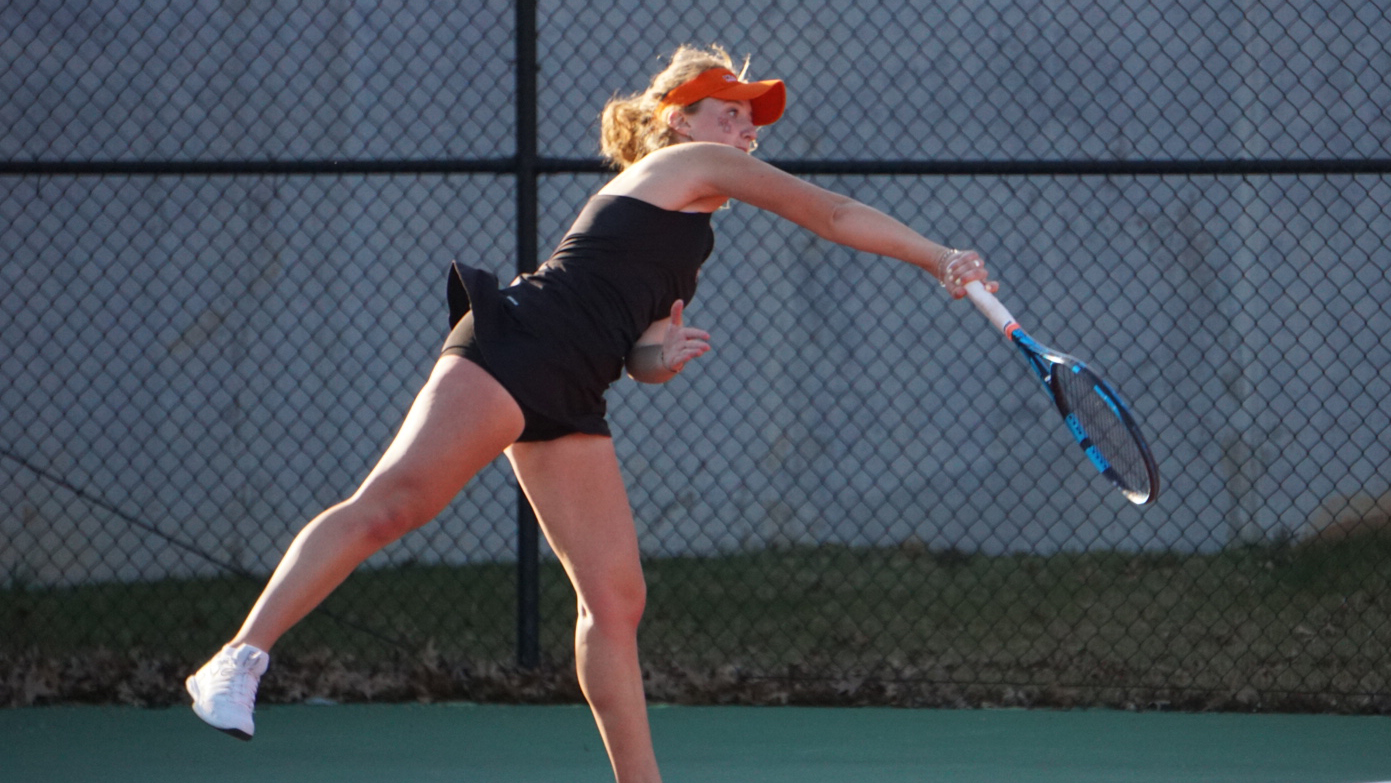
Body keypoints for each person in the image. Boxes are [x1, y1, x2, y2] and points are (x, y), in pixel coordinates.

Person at [185, 43, 997, 782]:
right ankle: (238, 657)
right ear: (681, 119)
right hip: (516, 345)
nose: (744, 130)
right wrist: (939, 258)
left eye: (750, 121)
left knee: (615, 599)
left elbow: (637, 351)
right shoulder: (692, 165)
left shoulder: (689, 232)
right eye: (730, 111)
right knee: (393, 505)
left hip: (573, 391)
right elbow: (829, 213)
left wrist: (657, 358)